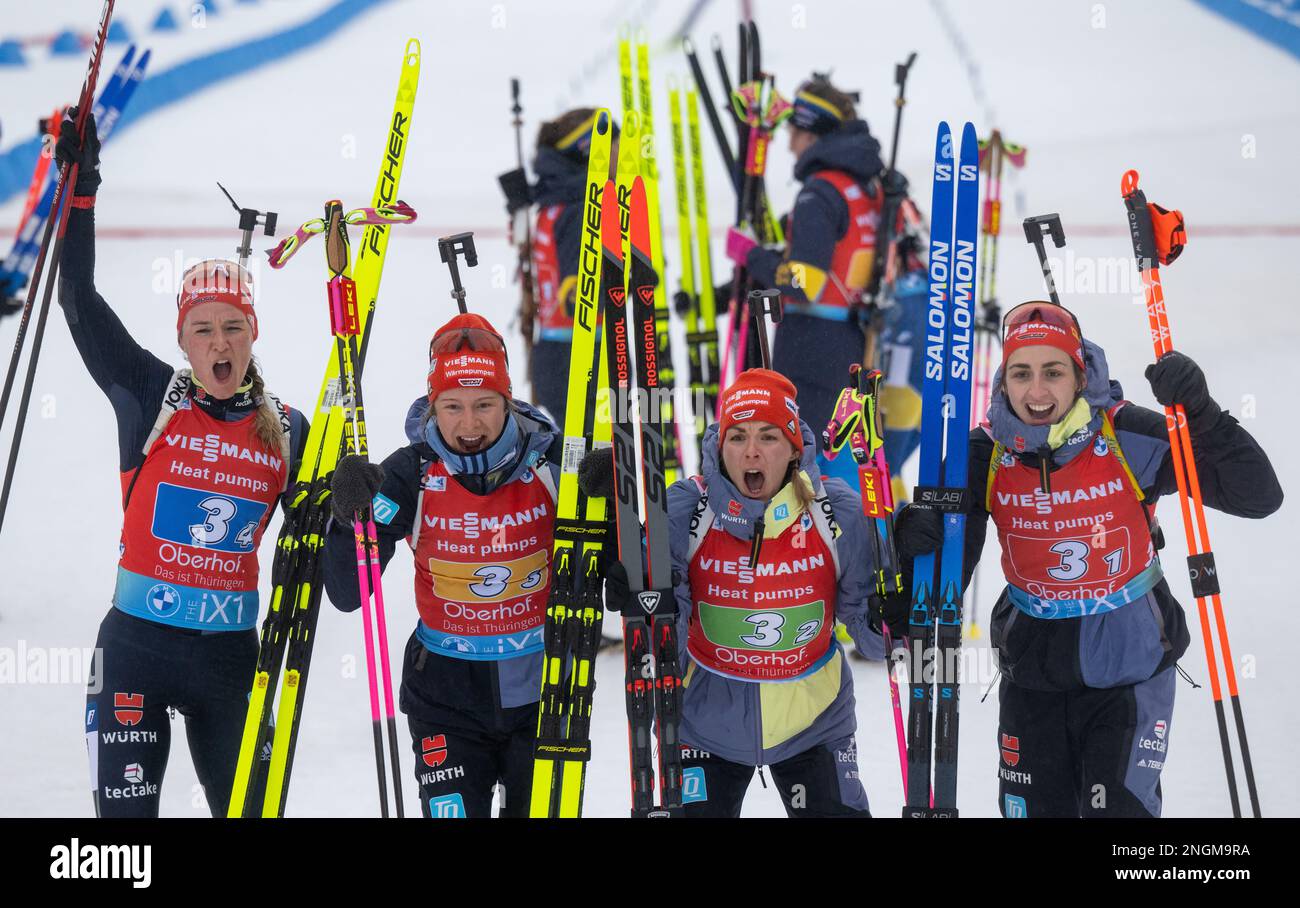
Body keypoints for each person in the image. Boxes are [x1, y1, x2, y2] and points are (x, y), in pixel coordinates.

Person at [893, 302, 1282, 817]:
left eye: (1053, 372)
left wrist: (1204, 414)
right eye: (1021, 373)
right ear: (1003, 380)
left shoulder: (1128, 437)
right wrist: (912, 540)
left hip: (1129, 671)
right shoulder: (983, 455)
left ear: (1080, 375)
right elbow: (942, 584)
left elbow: (1258, 495)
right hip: (1033, 674)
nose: (1036, 392)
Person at [55, 111, 309, 817]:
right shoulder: (149, 393)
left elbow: (334, 559)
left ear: (252, 334)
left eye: (233, 327)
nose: (219, 343)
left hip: (230, 663)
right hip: (135, 651)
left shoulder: (286, 428)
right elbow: (78, 300)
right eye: (204, 329)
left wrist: (358, 493)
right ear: (184, 339)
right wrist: (80, 188)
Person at [601, 369, 897, 817]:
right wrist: (640, 590)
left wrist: (895, 605)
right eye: (737, 436)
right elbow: (666, 642)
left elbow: (874, 642)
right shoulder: (686, 509)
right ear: (721, 445)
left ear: (795, 447)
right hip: (704, 727)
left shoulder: (835, 511)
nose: (752, 451)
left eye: (768, 436)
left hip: (814, 724)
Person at [323, 313, 563, 819]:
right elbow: (349, 592)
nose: (469, 425)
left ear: (508, 402)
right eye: (452, 407)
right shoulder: (410, 473)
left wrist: (610, 502)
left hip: (543, 696)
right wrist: (347, 520)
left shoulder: (552, 462)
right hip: (445, 703)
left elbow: (615, 570)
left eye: (484, 405)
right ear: (433, 406)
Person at [724, 75, 927, 469]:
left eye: (795, 131)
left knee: (802, 456)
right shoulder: (867, 186)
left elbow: (802, 284)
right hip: (855, 339)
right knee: (839, 457)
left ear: (813, 133)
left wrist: (750, 255)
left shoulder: (820, 192)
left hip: (811, 346)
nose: (789, 143)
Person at [523, 108, 617, 428]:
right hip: (579, 360)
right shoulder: (581, 208)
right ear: (589, 149)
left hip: (559, 354)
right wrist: (631, 281)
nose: (622, 160)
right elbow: (578, 297)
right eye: (616, 148)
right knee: (594, 466)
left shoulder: (555, 200)